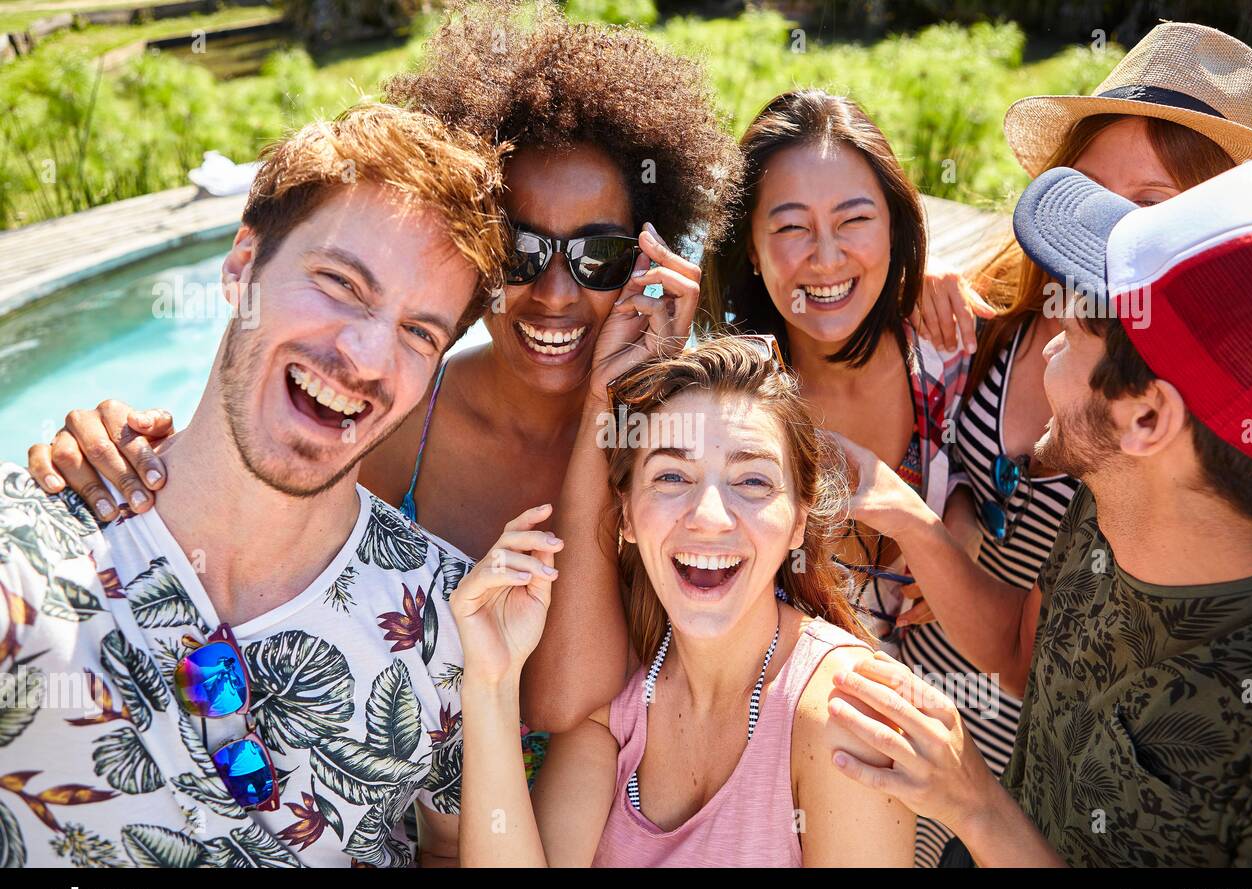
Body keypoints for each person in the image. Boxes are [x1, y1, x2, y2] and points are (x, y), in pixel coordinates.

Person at [21, 0, 739, 777]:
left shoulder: (672, 439)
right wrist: (113, 446)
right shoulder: (391, 411)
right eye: (521, 252)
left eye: (598, 256)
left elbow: (562, 707)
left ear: (645, 259)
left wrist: (612, 409)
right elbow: (249, 482)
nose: (556, 293)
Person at [0, 103, 507, 867]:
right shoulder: (26, 559)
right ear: (241, 267)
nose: (367, 357)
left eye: (418, 331)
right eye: (341, 283)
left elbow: (455, 848)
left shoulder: (445, 617)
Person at [880, 21, 1252, 866]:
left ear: (1148, 418)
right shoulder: (1108, 496)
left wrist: (975, 804)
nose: (1060, 310)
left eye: (1091, 308)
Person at [533, 89, 970, 736]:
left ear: (896, 226)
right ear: (752, 254)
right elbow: (571, 697)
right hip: (796, 763)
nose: (825, 256)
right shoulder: (728, 407)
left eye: (854, 220)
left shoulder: (954, 348)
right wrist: (616, 397)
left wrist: (950, 530)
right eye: (791, 228)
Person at [452, 337, 915, 867]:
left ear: (799, 522)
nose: (709, 515)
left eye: (753, 481)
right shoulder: (617, 697)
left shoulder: (842, 712)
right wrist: (491, 682)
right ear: (625, 516)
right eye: (672, 477)